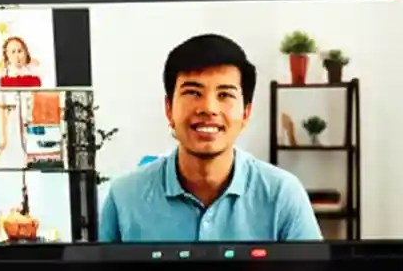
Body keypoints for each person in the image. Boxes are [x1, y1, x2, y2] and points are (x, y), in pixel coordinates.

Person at [98, 33, 323, 242]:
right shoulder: (124, 197)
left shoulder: (283, 194)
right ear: (169, 109)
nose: (208, 108)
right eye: (193, 93)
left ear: (246, 112)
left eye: (225, 94)